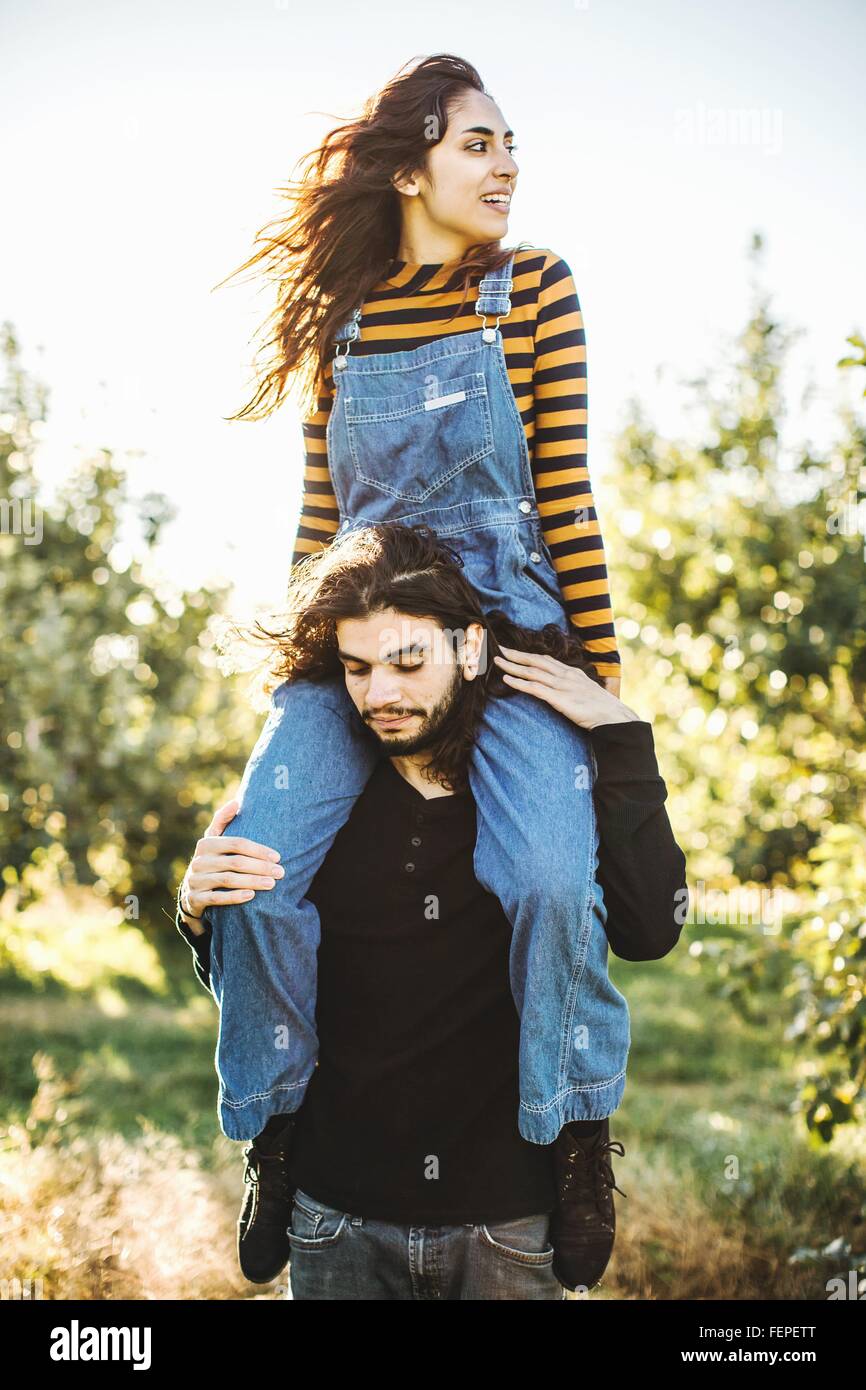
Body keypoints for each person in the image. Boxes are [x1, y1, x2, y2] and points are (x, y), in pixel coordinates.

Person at [194, 55, 629, 1169]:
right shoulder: (337, 325)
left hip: (512, 630)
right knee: (257, 865)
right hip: (357, 632)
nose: (505, 166)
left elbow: (566, 496)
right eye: (477, 144)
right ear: (407, 168)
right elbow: (315, 524)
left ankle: (573, 1128)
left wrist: (604, 689)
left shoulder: (534, 287)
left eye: (510, 145)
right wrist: (288, 701)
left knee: (541, 874)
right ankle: (277, 1125)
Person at [177, 523, 687, 1300]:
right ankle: (269, 1147)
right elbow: (259, 979)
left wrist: (620, 737)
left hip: (509, 1220)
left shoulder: (536, 802)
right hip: (332, 1211)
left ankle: (580, 1139)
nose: (381, 693)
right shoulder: (309, 808)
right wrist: (196, 911)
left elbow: (651, 931)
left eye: (408, 662)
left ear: (472, 650)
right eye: (357, 668)